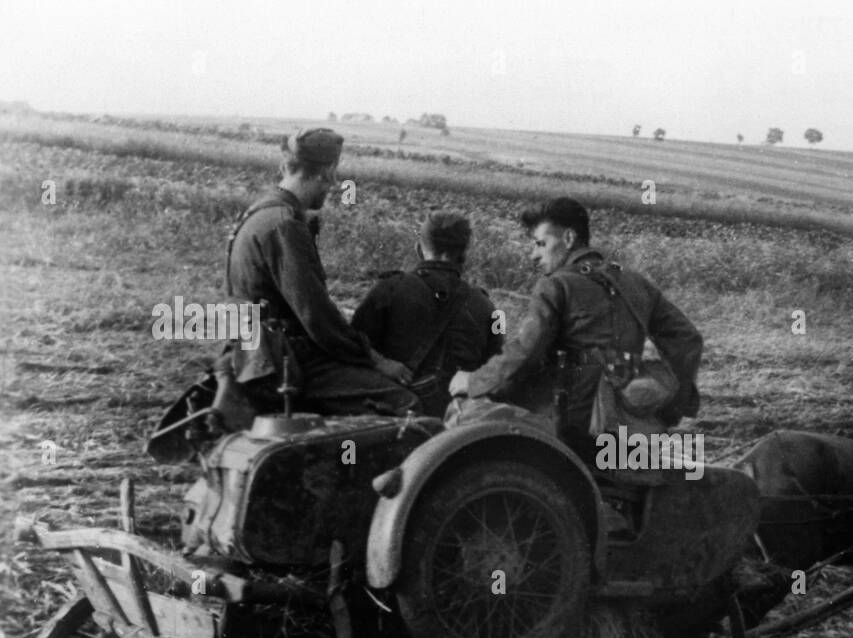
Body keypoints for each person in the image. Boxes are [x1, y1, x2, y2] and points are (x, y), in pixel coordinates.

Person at [447, 197, 702, 457]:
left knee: (467, 420)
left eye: (541, 244)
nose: (533, 255)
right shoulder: (634, 281)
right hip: (628, 418)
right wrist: (672, 407)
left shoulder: (556, 284)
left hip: (571, 421)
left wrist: (475, 380)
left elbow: (525, 353)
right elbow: (687, 339)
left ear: (568, 238)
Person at [218, 127, 420, 416]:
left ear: (285, 166)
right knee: (406, 404)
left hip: (254, 348)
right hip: (285, 357)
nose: (332, 185)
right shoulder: (285, 225)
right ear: (328, 173)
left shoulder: (258, 213)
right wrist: (375, 359)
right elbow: (316, 317)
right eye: (332, 176)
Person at [351, 210, 501, 416]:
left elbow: (353, 346)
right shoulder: (487, 306)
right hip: (455, 422)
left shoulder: (389, 288)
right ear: (464, 255)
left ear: (418, 249)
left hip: (393, 413)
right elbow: (496, 366)